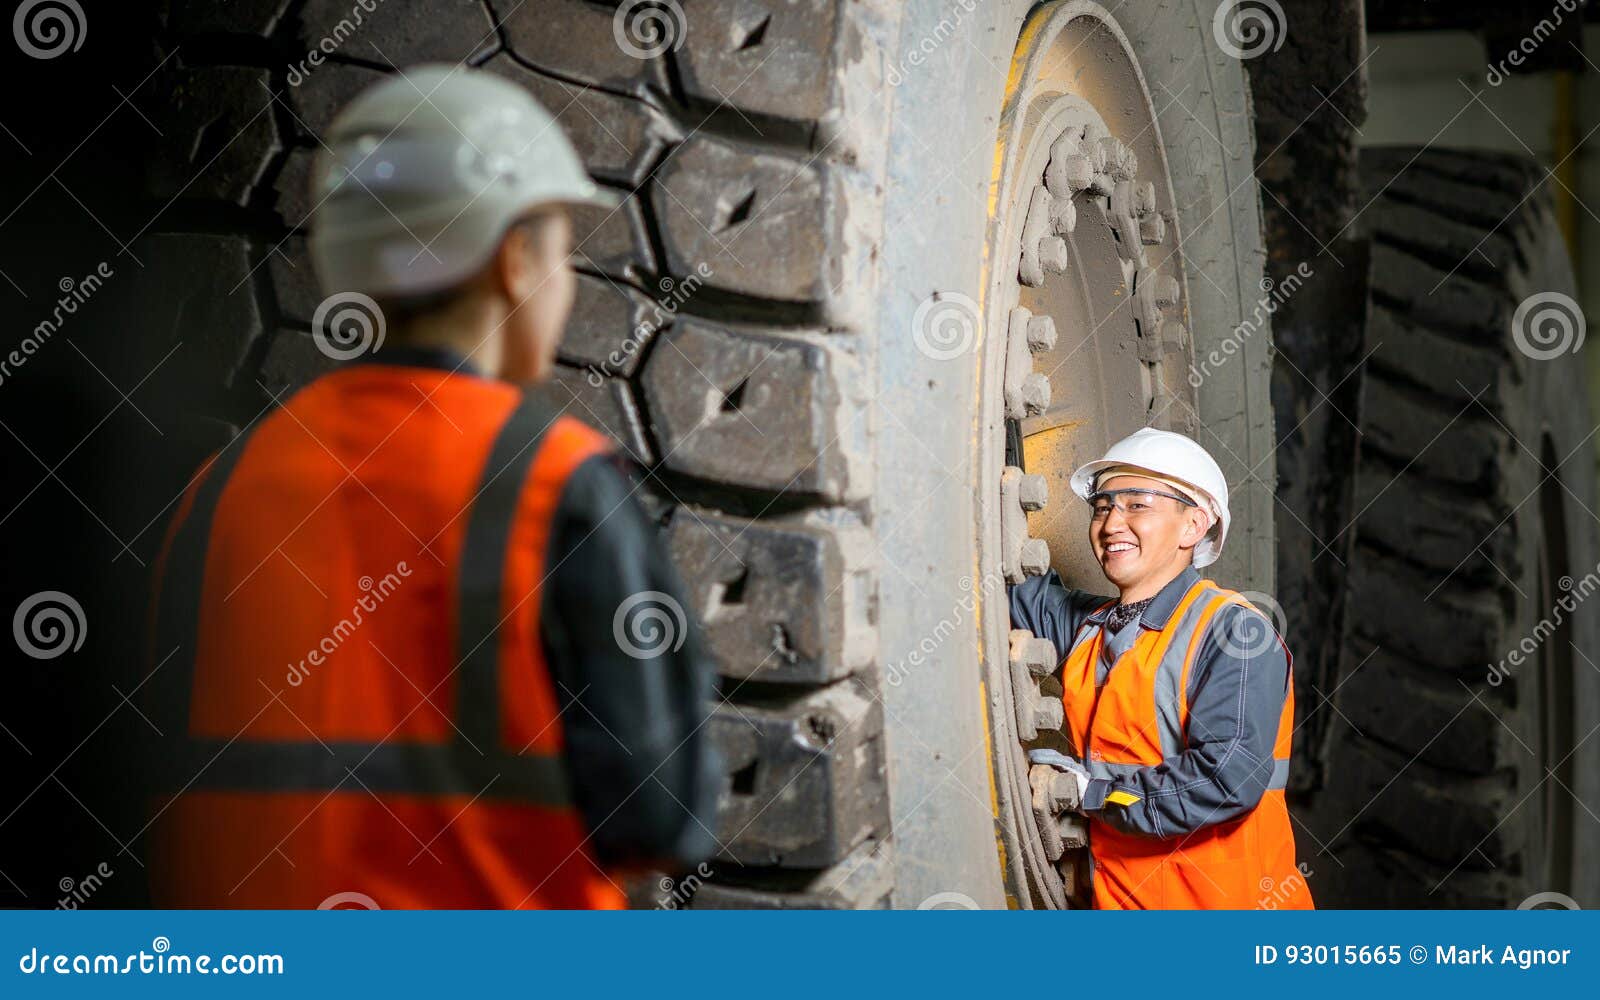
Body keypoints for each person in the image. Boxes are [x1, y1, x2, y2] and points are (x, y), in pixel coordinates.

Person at [143, 65, 720, 908]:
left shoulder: (217, 492)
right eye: (562, 253)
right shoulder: (556, 481)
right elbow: (662, 821)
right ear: (517, 259)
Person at [1010, 426, 1313, 910]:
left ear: (1193, 526)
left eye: (1137, 504)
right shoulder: (1094, 629)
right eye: (1104, 505)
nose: (1111, 523)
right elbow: (1012, 592)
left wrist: (1096, 794)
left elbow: (1224, 781)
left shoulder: (1232, 634)